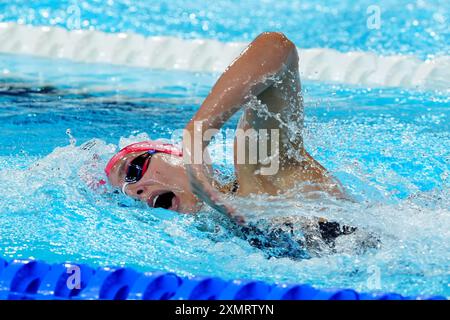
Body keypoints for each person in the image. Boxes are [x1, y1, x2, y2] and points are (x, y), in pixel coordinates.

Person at [105, 32, 376, 258]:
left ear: (175, 154)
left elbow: (276, 48)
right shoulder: (218, 239)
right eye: (124, 194)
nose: (133, 190)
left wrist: (195, 137)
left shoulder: (260, 171)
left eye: (133, 170)